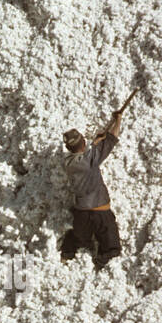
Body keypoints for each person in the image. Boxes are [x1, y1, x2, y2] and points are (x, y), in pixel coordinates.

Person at [60, 104, 124, 270]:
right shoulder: (90, 160)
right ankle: (102, 264)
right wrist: (118, 120)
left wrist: (94, 143)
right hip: (100, 210)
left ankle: (67, 253)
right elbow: (111, 140)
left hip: (81, 212)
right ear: (83, 142)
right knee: (112, 246)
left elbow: (85, 154)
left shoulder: (68, 162)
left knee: (80, 239)